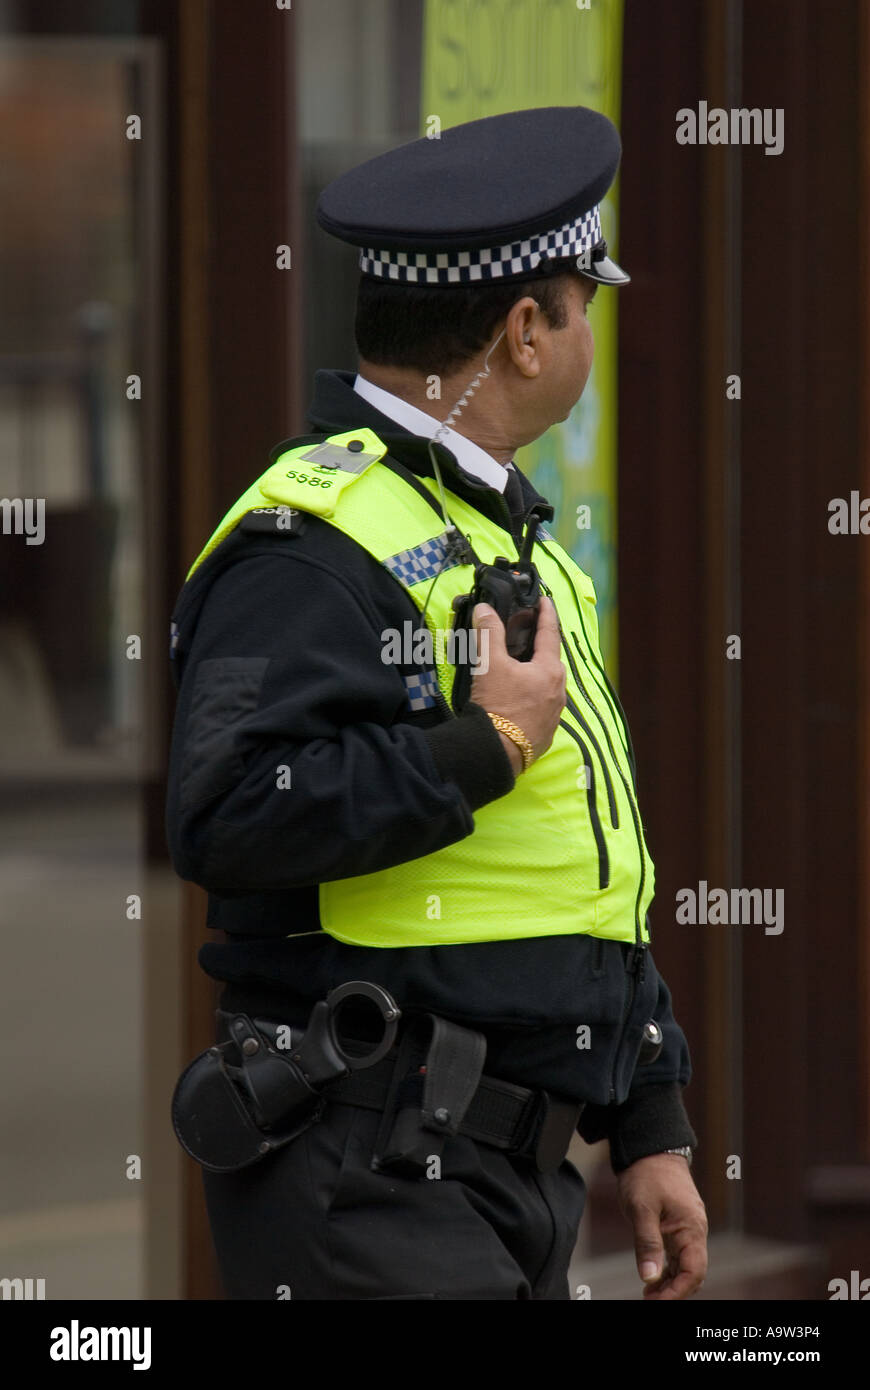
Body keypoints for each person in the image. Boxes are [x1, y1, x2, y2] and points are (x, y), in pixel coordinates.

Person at [166, 105, 708, 1301]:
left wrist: (649, 1110)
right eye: (587, 300)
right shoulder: (308, 545)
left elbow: (582, 850)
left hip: (504, 1170)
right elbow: (227, 815)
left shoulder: (508, 533)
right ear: (526, 331)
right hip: (365, 1162)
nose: (592, 330)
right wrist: (486, 745)